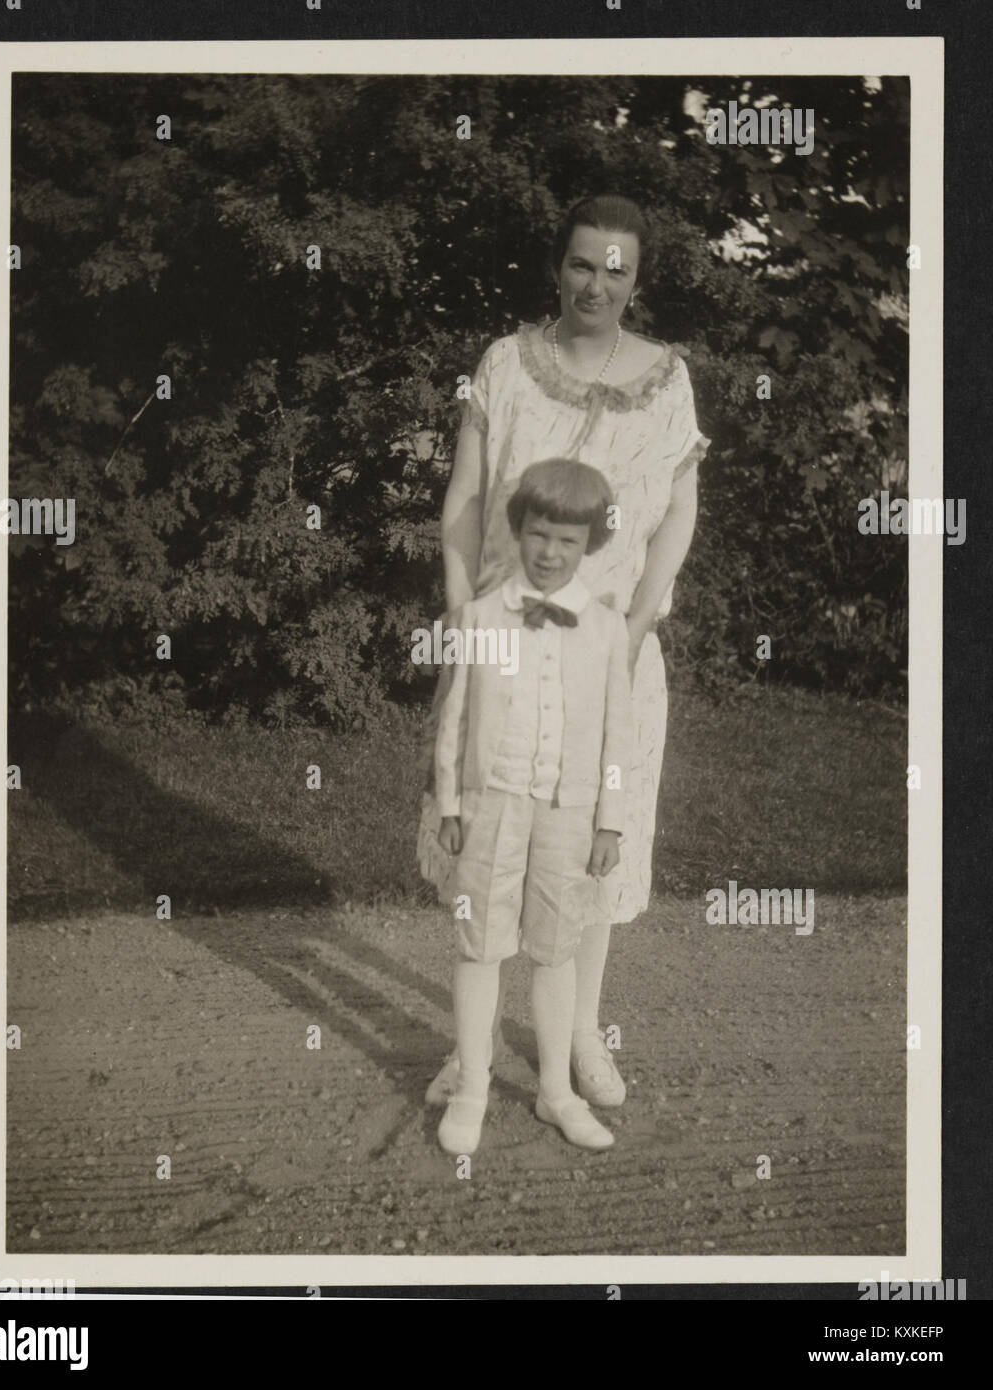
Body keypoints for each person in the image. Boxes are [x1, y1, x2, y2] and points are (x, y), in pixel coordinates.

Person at [418, 193, 709, 1110]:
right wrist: (465, 615)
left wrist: (630, 633)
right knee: (490, 846)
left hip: (610, 659)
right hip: (502, 648)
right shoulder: (505, 365)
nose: (599, 283)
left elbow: (679, 514)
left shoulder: (667, 379)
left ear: (637, 279)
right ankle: (471, 1057)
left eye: (617, 268)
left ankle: (579, 1037)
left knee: (586, 851)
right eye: (584, 263)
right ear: (559, 267)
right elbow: (466, 496)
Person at [433, 458, 632, 1155]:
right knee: (480, 943)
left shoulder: (607, 630)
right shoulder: (482, 616)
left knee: (555, 952)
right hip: (493, 806)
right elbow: (454, 717)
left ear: (590, 546)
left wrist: (610, 819)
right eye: (539, 534)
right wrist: (451, 803)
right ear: (518, 530)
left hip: (569, 812)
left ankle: (556, 1091)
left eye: (567, 542)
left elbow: (618, 732)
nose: (550, 553)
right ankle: (472, 1089)